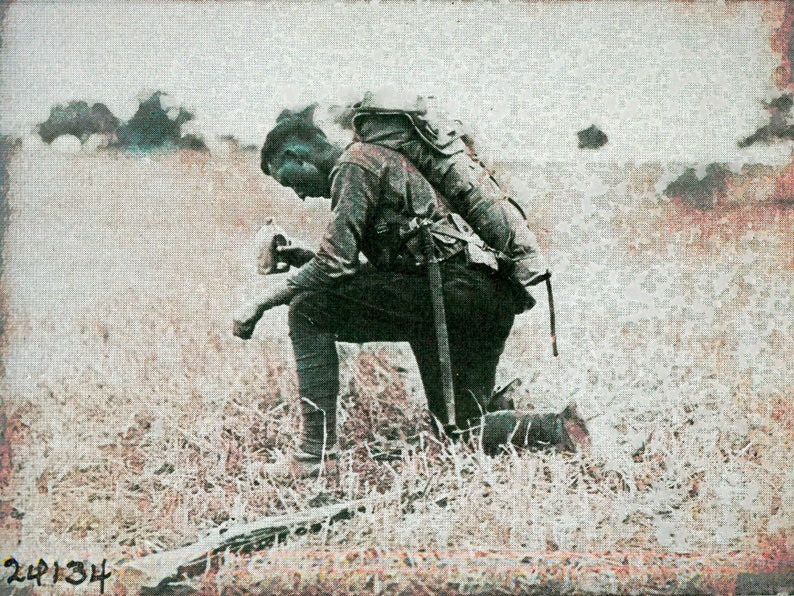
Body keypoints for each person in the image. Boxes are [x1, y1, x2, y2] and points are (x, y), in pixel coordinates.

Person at [234, 104, 586, 477]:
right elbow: (387, 267)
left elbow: (335, 265)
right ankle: (561, 427)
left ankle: (315, 457)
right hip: (481, 295)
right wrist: (308, 257)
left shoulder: (353, 166)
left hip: (449, 295)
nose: (300, 196)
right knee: (462, 432)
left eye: (290, 182)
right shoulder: (375, 159)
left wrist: (259, 303)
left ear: (295, 155)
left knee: (308, 309)